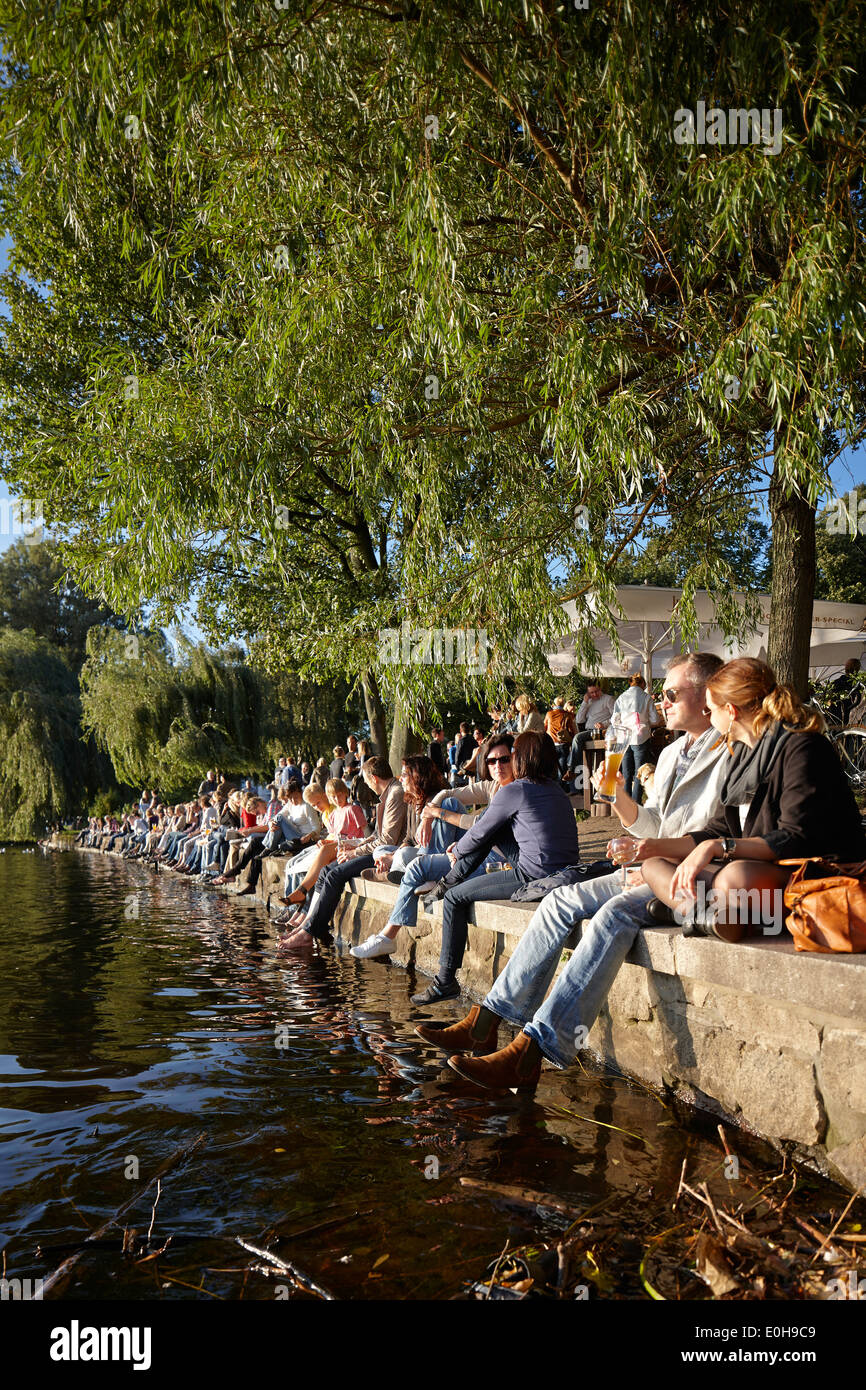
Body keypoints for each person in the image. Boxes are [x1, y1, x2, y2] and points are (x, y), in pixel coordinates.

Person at [422, 653, 729, 1087]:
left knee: (611, 915)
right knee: (559, 898)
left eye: (671, 693)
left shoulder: (731, 748)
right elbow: (654, 822)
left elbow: (720, 833)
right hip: (653, 862)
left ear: (707, 695)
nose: (660, 701)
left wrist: (653, 856)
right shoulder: (672, 753)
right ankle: (487, 1020)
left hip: (684, 875)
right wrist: (620, 797)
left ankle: (532, 1050)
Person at [641, 656, 866, 939]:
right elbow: (719, 827)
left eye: (711, 711)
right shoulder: (742, 754)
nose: (709, 718)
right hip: (764, 873)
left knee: (735, 878)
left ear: (731, 711)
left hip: (812, 873)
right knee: (656, 864)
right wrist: (654, 846)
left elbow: (793, 839)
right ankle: (712, 914)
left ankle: (694, 911)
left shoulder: (803, 748)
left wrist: (719, 847)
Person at [410, 730, 582, 1005]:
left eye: (513, 754)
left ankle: (445, 982)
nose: (508, 760)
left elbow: (478, 835)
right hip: (562, 870)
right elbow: (484, 830)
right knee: (491, 831)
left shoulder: (516, 790)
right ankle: (446, 883)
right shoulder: (556, 790)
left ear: (522, 758)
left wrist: (458, 849)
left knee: (455, 898)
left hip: (536, 876)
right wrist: (466, 846)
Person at [350, 735, 514, 958]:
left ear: (515, 759)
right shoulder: (492, 786)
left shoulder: (517, 791)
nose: (497, 766)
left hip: (498, 862)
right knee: (440, 813)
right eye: (491, 761)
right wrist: (430, 815)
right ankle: (409, 888)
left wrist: (438, 814)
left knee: (419, 859)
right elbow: (448, 793)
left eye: (503, 760)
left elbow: (481, 826)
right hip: (475, 852)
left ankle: (388, 936)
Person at [278, 756, 406, 949]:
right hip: (380, 849)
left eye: (366, 781)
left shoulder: (395, 793)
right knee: (325, 871)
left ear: (374, 778)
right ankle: (307, 924)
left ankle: (309, 932)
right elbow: (378, 835)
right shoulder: (389, 793)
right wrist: (355, 847)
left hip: (388, 854)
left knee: (335, 875)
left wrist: (355, 852)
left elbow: (388, 840)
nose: (367, 786)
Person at [612, 675, 663, 802]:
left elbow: (614, 720)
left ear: (630, 683)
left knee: (626, 772)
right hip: (640, 737)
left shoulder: (621, 697)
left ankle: (626, 802)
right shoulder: (646, 698)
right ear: (643, 684)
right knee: (639, 772)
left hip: (624, 738)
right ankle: (635, 803)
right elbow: (655, 720)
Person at [566, 682, 616, 783]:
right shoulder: (588, 701)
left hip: (601, 731)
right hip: (589, 731)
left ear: (600, 689)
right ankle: (577, 773)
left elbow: (616, 717)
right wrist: (585, 702)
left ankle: (572, 770)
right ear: (588, 693)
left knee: (577, 738)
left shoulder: (608, 699)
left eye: (596, 691)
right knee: (576, 742)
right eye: (591, 693)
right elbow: (579, 720)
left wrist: (604, 724)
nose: (594, 694)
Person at [543, 697, 577, 781]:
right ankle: (562, 789)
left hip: (551, 744)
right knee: (561, 770)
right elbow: (572, 730)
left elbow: (544, 727)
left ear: (554, 704)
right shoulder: (567, 715)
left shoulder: (549, 714)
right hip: (563, 744)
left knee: (551, 769)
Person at [829, 657, 862, 726]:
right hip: (849, 708)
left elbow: (831, 690)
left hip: (837, 709)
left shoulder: (842, 680)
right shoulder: (858, 682)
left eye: (846, 665)